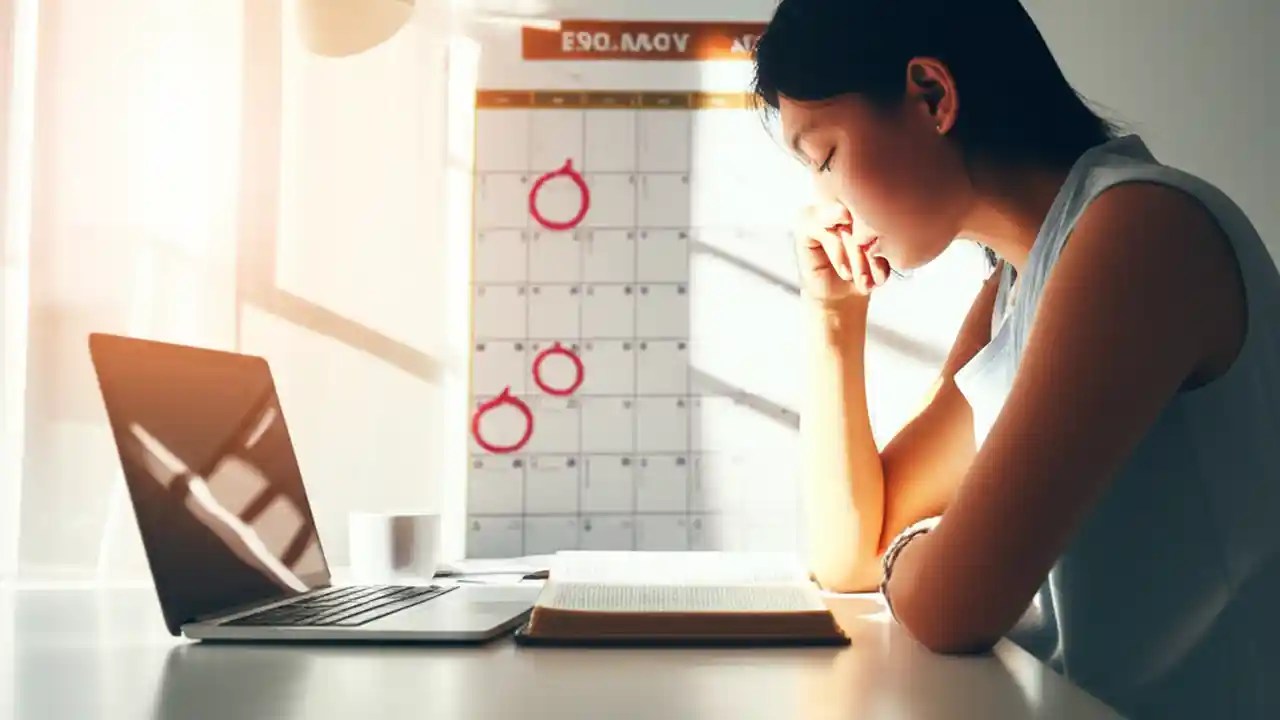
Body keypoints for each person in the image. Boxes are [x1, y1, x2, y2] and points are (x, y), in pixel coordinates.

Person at [751, 1, 1280, 717]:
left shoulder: (1142, 231)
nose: (826, 201)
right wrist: (833, 312)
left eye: (825, 156)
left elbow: (950, 608)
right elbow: (852, 555)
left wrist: (919, 552)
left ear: (932, 97)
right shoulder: (1018, 281)